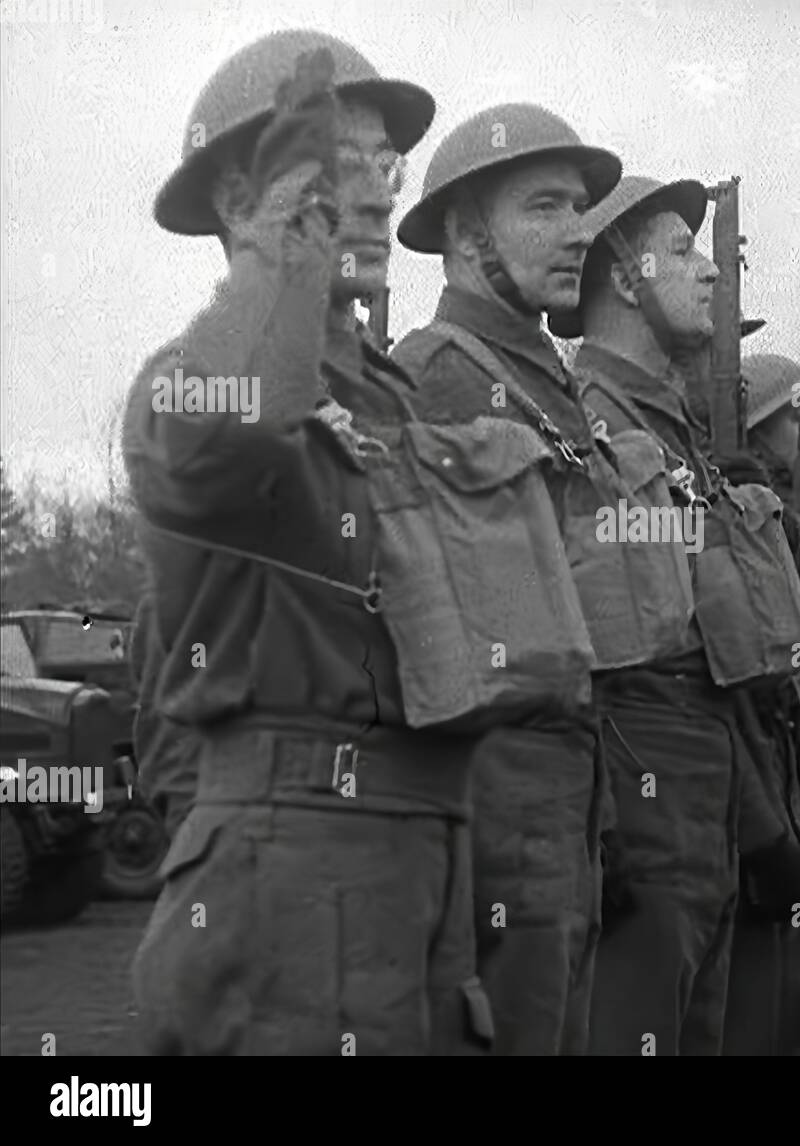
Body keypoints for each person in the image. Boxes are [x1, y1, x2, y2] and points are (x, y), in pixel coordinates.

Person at [125, 29, 494, 1054]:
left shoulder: (390, 404)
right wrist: (283, 248)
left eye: (387, 163)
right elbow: (237, 420)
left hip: (427, 863)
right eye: (339, 164)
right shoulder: (188, 384)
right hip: (292, 868)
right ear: (243, 201)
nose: (377, 193)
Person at [555, 177, 800, 1054]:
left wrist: (763, 831)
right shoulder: (588, 419)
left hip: (709, 794)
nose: (710, 275)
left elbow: (722, 656)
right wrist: (600, 826)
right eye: (684, 252)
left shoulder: (679, 436)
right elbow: (588, 656)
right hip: (639, 791)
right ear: (623, 277)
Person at [391, 103, 627, 1055]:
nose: (577, 232)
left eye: (579, 208)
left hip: (572, 780)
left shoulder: (550, 381)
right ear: (461, 231)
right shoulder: (435, 376)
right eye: (543, 207)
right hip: (499, 791)